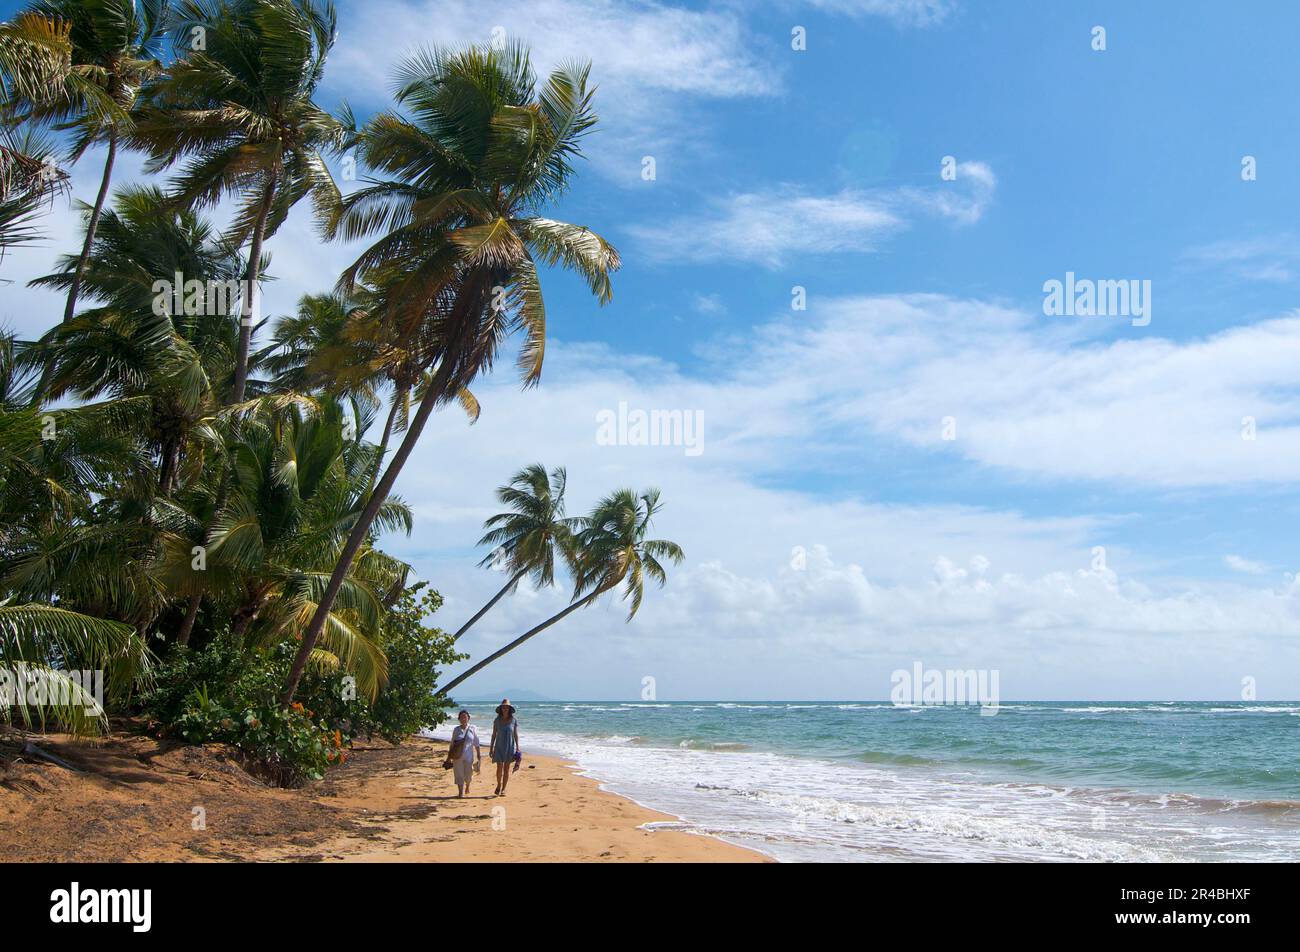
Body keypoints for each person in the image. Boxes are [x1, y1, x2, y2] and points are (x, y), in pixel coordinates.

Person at [489, 699, 520, 796]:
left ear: (509, 709)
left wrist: (518, 747)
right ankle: (498, 785)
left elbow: (515, 734)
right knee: (499, 768)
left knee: (506, 769)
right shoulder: (497, 720)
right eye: (503, 707)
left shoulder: (514, 720)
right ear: (501, 709)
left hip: (510, 747)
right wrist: (491, 748)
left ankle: (503, 789)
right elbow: (494, 735)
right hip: (499, 746)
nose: (505, 709)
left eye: (507, 707)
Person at [448, 710, 481, 797]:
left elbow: (476, 742)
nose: (463, 718)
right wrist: (449, 757)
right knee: (459, 774)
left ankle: (468, 785)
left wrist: (478, 754)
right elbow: (452, 743)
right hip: (457, 756)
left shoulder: (472, 729)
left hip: (469, 757)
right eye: (461, 717)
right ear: (459, 719)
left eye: (465, 717)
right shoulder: (456, 730)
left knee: (468, 775)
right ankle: (460, 792)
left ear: (468, 718)